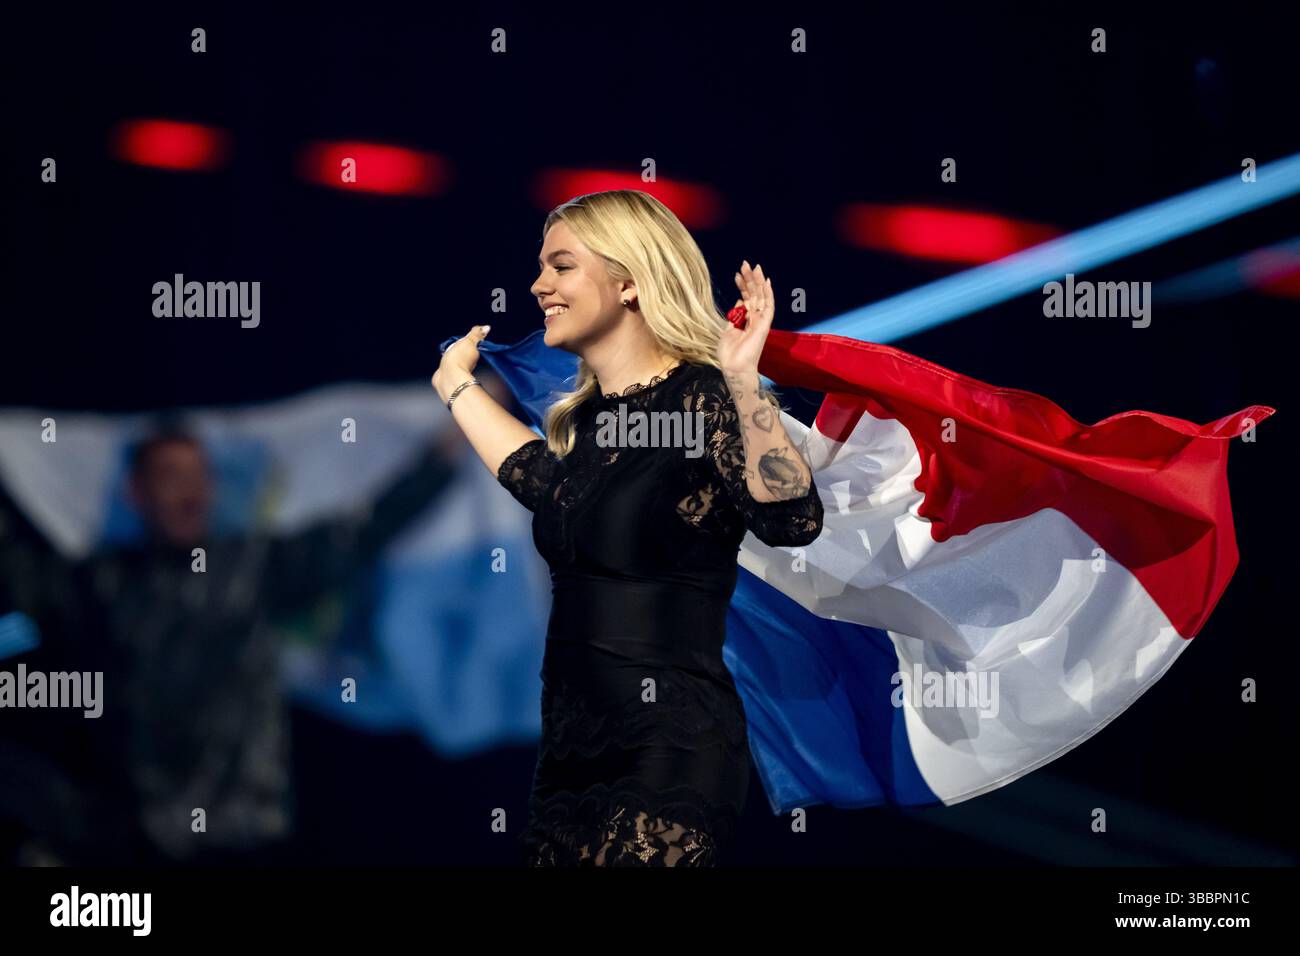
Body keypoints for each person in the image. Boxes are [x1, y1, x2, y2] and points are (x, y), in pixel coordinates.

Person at [432, 189, 824, 866]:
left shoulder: (703, 394)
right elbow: (542, 483)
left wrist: (741, 384)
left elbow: (792, 517)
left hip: (668, 748)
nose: (538, 285)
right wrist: (456, 388)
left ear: (631, 281)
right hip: (566, 757)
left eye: (561, 267)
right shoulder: (589, 425)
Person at [0, 419, 462, 865]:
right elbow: (20, 581)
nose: (190, 490)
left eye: (199, 475)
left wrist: (456, 433)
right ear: (136, 492)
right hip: (129, 845)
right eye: (170, 475)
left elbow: (364, 532)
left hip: (245, 841)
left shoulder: (253, 567)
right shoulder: (100, 584)